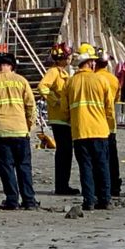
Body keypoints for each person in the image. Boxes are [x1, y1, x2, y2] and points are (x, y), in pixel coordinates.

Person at [0, 52, 38, 210]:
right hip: (20, 130)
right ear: (12, 65)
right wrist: (29, 126)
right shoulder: (21, 81)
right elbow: (31, 106)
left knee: (6, 167)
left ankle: (12, 200)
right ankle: (29, 201)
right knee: (24, 166)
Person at [64, 50, 114, 211]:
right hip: (99, 130)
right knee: (102, 166)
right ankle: (105, 199)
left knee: (85, 167)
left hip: (80, 131)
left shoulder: (70, 83)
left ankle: (89, 200)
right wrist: (110, 126)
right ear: (91, 63)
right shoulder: (101, 80)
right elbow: (109, 108)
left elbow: (65, 109)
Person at [38, 44, 79, 195]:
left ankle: (63, 184)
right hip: (59, 118)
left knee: (66, 152)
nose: (70, 59)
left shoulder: (63, 73)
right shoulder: (54, 72)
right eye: (68, 57)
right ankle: (61, 186)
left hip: (64, 118)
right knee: (64, 152)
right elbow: (43, 86)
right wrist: (55, 101)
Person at [95, 49, 122, 197]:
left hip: (97, 124)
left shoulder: (94, 78)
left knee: (99, 158)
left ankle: (100, 186)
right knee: (113, 157)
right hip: (111, 124)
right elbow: (116, 99)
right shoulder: (113, 79)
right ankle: (115, 186)